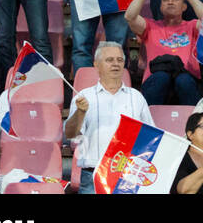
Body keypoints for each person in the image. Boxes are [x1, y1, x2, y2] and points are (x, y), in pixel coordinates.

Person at [65, 41, 155, 194]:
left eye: (120, 60)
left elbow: (149, 136)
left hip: (128, 176)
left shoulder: (136, 97)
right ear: (96, 64)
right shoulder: (84, 97)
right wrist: (80, 112)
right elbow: (70, 134)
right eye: (109, 60)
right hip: (93, 174)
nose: (116, 64)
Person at [125, 0, 203, 106]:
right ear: (161, 7)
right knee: (161, 77)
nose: (170, 2)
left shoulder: (192, 25)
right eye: (165, 0)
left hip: (187, 82)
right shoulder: (150, 26)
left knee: (183, 80)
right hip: (156, 82)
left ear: (184, 7)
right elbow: (129, 17)